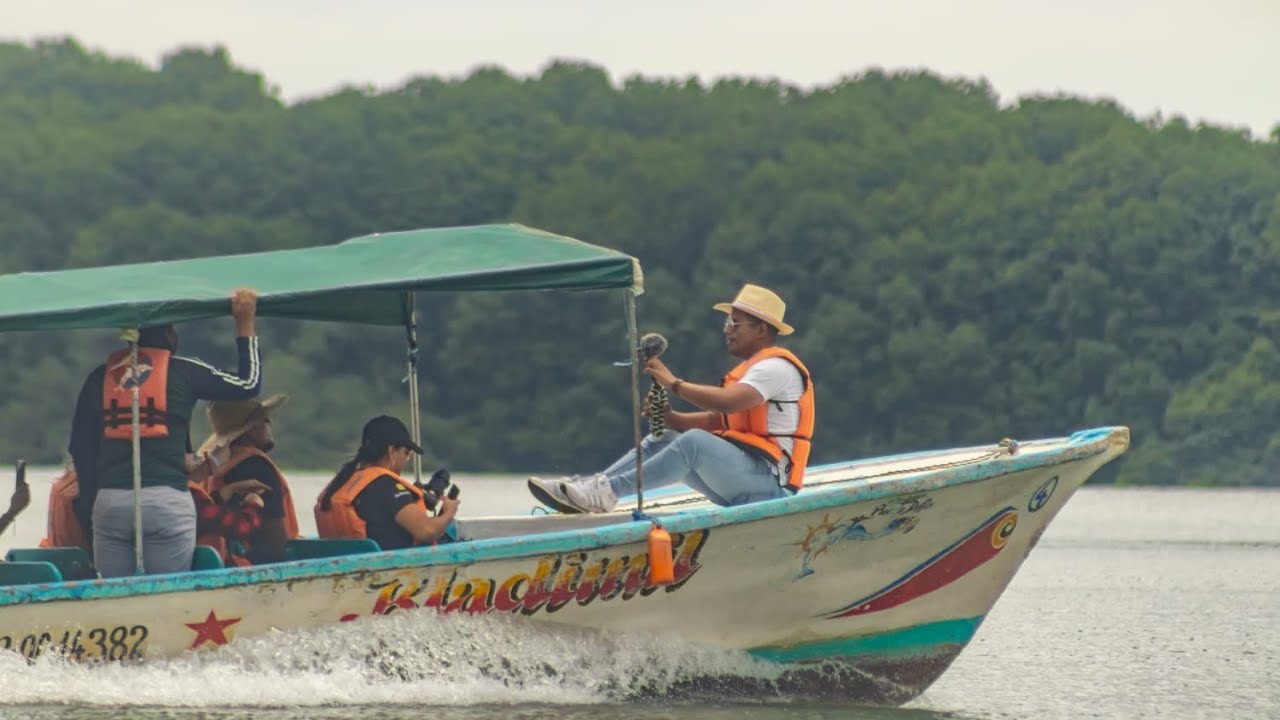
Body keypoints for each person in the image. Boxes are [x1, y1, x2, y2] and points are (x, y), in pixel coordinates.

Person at [528, 284, 815, 513]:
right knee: (665, 436)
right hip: (744, 476)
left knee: (692, 444)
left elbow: (729, 403)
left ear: (761, 329)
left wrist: (673, 383)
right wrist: (673, 419)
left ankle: (608, 492)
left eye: (735, 323)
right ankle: (596, 488)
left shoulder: (776, 368)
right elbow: (721, 420)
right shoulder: (755, 369)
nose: (727, 330)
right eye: (728, 322)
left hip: (770, 484)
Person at [67, 288, 263, 578]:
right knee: (165, 594)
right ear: (170, 334)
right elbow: (249, 384)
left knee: (117, 598)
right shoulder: (183, 371)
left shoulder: (99, 378)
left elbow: (80, 449)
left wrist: (92, 510)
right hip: (165, 502)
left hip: (111, 504)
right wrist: (244, 322)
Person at [315, 415, 459, 550]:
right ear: (391, 451)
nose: (406, 460)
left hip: (352, 565)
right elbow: (427, 531)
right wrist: (449, 512)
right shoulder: (385, 485)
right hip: (392, 568)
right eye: (406, 453)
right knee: (451, 530)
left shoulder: (345, 480)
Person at [194, 394, 300, 565]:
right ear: (251, 428)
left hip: (217, 560)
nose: (269, 423)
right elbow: (276, 544)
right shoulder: (258, 467)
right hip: (250, 566)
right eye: (265, 419)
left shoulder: (216, 467)